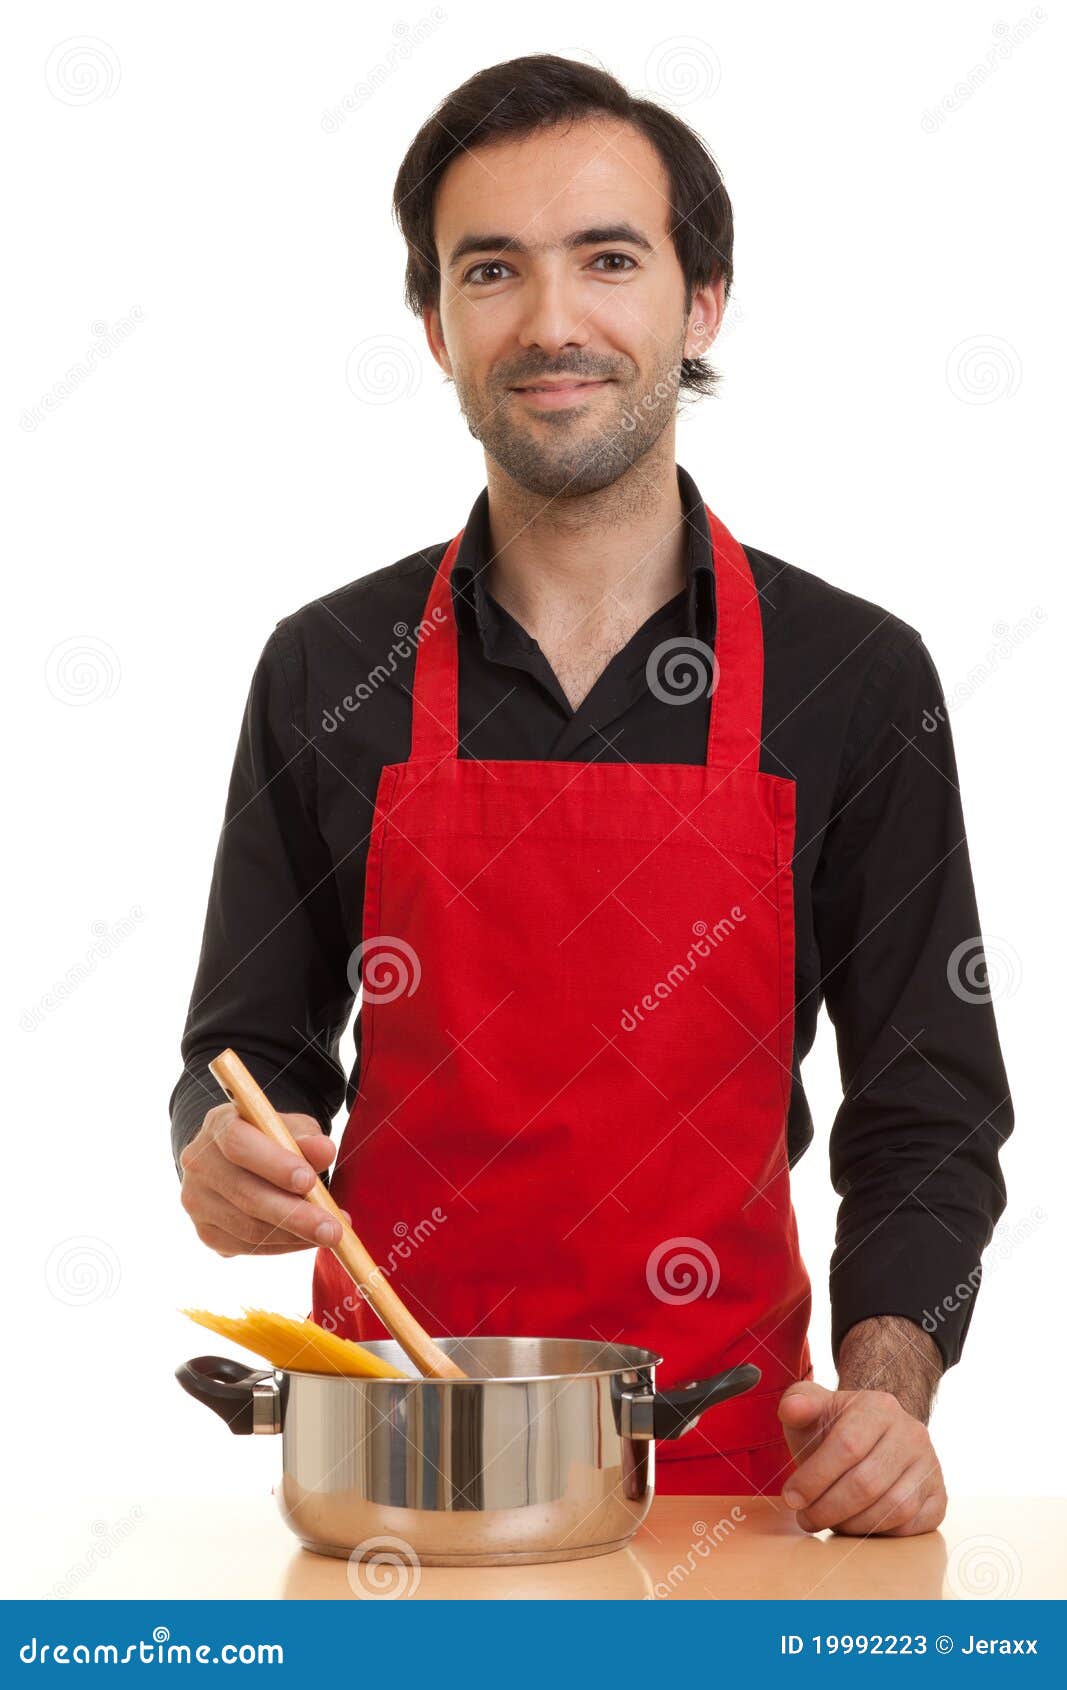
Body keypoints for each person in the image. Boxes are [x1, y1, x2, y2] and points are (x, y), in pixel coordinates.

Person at [170, 55, 1012, 1534]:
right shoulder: (327, 672)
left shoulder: (855, 677)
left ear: (701, 302)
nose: (552, 323)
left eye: (608, 260)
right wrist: (226, 1151)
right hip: (395, 1479)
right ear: (434, 327)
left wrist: (887, 1395)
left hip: (732, 1489)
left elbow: (928, 1111)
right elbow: (246, 1049)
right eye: (491, 269)